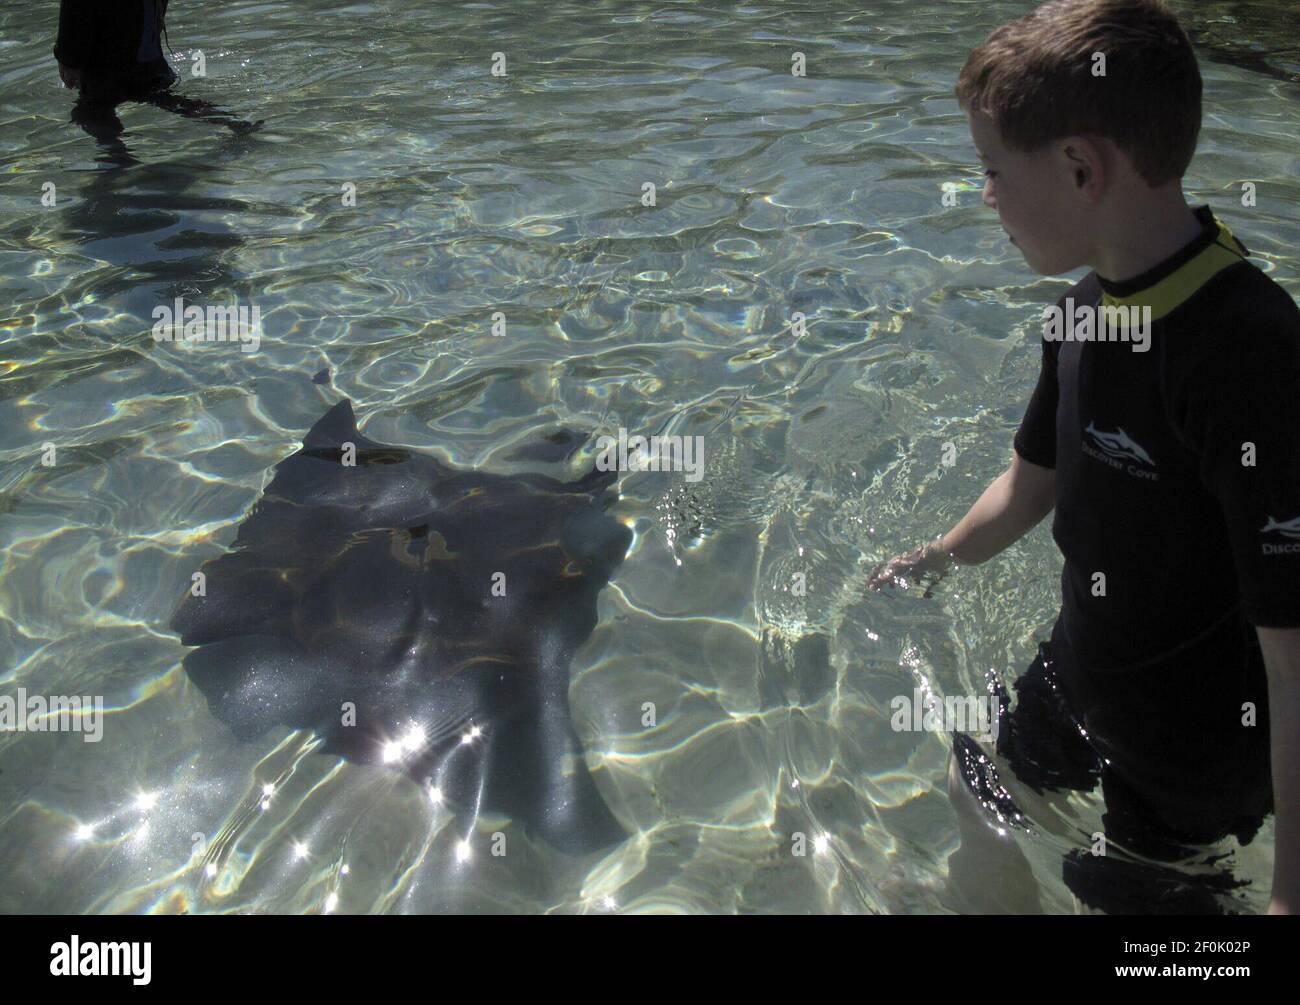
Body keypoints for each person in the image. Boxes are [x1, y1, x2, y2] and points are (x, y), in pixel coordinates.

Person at [869, 0, 1300, 914]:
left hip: (1196, 745)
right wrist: (935, 560)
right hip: (1082, 669)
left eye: (993, 171)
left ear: (1078, 168)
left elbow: (1295, 656)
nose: (985, 197)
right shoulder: (1082, 315)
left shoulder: (1247, 353)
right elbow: (1030, 486)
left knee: (1129, 901)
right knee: (978, 787)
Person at [53, 0, 262, 162]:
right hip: (146, 55)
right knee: (162, 96)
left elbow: (76, 12)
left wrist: (69, 59)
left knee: (90, 112)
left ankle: (119, 161)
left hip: (108, 64)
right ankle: (231, 121)